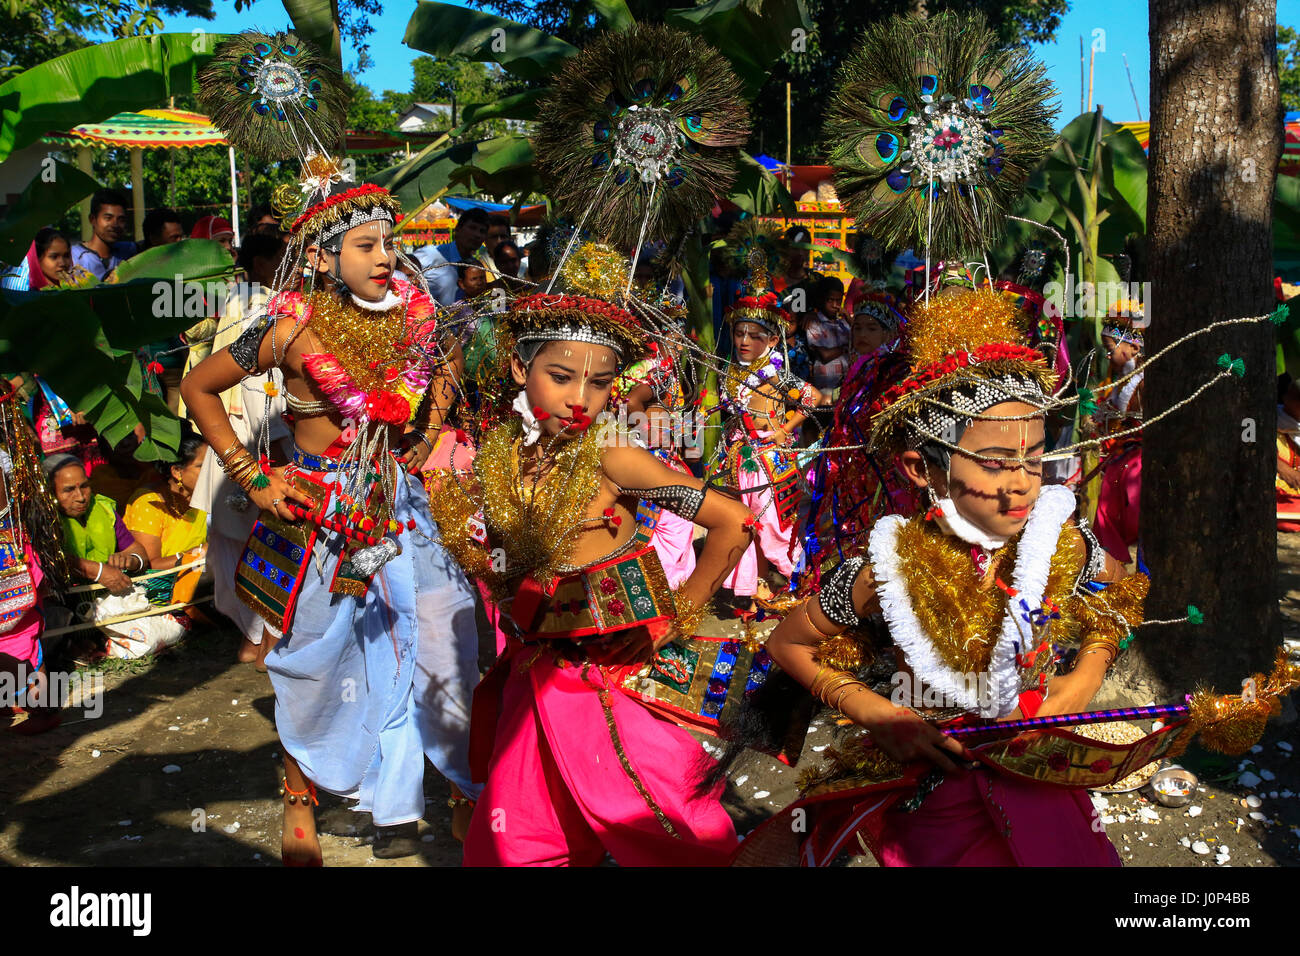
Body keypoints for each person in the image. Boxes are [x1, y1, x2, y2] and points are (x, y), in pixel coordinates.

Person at [751, 288, 1148, 866]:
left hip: (1040, 781)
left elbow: (1123, 592)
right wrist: (879, 714)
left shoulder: (1061, 543)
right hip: (933, 801)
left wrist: (1084, 678)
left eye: (1034, 460)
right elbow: (788, 642)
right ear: (922, 468)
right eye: (993, 463)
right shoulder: (888, 569)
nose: (1020, 484)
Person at [180, 173, 482, 865]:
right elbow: (199, 387)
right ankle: (300, 794)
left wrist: (432, 432)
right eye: (366, 244)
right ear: (320, 257)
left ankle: (456, 790)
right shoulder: (288, 326)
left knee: (442, 636)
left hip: (399, 504)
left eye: (390, 242)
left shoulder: (417, 317)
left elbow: (446, 375)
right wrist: (252, 475)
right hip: (315, 510)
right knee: (314, 657)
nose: (385, 256)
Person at [427, 243, 755, 866]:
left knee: (670, 832)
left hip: (605, 683)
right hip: (532, 678)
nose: (581, 398)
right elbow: (505, 566)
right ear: (522, 368)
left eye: (600, 383)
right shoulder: (503, 454)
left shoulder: (613, 457)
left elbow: (733, 522)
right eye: (561, 376)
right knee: (518, 844)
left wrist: (672, 623)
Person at [189, 232, 290, 667]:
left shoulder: (241, 296)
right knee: (261, 542)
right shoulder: (262, 304)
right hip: (256, 432)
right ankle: (265, 638)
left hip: (233, 435)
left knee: (238, 542)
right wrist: (281, 440)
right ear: (264, 262)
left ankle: (257, 638)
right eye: (283, 258)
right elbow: (257, 382)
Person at [714, 287, 827, 600]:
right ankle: (754, 587)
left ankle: (803, 581)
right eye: (739, 334)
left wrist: (785, 428)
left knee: (773, 525)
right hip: (738, 455)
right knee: (743, 523)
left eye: (754, 335)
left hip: (767, 457)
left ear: (773, 341)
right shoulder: (733, 369)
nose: (744, 342)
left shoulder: (774, 372)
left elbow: (811, 396)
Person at [1089, 304, 1145, 565]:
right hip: (1123, 449)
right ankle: (1109, 558)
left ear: (1133, 347)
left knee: (1124, 481)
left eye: (1111, 350)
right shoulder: (1121, 378)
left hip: (1139, 454)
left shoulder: (1143, 379)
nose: (1108, 357)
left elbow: (1120, 416)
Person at [46, 454, 147, 596]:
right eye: (69, 490)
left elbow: (137, 550)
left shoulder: (103, 509)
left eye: (84, 486)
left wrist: (132, 560)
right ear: (50, 492)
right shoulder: (44, 521)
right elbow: (49, 560)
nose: (81, 497)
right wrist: (97, 571)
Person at [411, 207, 490, 305]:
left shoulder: (475, 267)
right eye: (472, 228)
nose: (477, 234)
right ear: (458, 229)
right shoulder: (429, 255)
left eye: (482, 231)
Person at [2, 227, 95, 291]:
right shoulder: (23, 292)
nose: (62, 263)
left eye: (66, 255)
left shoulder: (81, 285)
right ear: (37, 259)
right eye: (54, 257)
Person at [71, 190, 136, 280]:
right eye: (108, 218)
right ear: (92, 219)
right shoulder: (73, 256)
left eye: (121, 219)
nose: (115, 225)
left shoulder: (128, 252)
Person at [804, 276, 852, 395]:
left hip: (846, 385)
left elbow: (861, 341)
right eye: (830, 300)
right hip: (825, 386)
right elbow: (824, 355)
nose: (835, 305)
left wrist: (849, 319)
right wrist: (847, 347)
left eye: (838, 300)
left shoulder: (844, 323)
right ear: (821, 299)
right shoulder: (814, 323)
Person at [1278, 380, 1300, 532]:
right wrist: (1280, 466)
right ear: (1286, 398)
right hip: (1278, 494)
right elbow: (1247, 443)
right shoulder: (1256, 419)